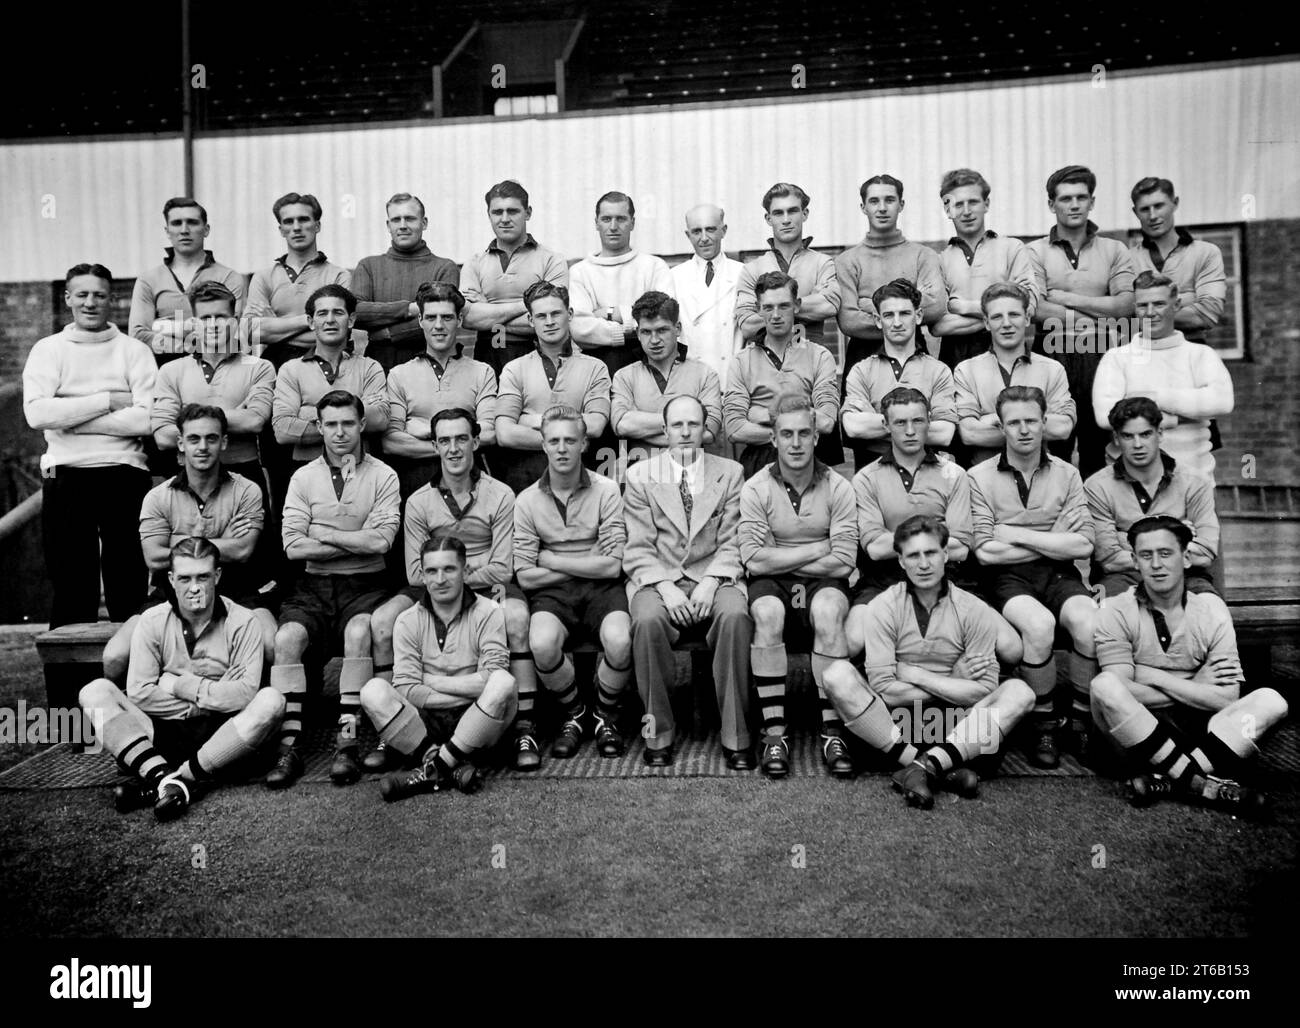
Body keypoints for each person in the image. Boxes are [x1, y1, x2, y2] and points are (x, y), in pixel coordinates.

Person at [822, 515, 1036, 808]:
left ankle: (927, 766)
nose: (923, 564)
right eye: (913, 555)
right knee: (836, 675)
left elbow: (983, 690)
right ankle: (931, 767)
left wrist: (916, 675)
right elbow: (886, 690)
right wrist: (955, 679)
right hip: (897, 730)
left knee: (1021, 693)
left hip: (961, 731)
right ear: (900, 561)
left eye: (931, 553)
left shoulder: (974, 609)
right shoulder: (882, 607)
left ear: (946, 554)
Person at [368, 407, 538, 773]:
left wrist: (457, 577)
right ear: (434, 446)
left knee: (517, 617)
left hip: (485, 585)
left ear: (476, 441)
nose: (454, 448)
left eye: (462, 438)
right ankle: (390, 727)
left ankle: (525, 725)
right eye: (444, 440)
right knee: (382, 621)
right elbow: (415, 573)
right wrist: (451, 576)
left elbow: (503, 567)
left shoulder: (502, 494)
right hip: (433, 581)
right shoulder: (418, 501)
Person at [1090, 515, 1287, 819]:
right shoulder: (1115, 610)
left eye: (1166, 553)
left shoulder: (1210, 611)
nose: (1156, 564)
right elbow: (1120, 690)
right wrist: (1196, 682)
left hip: (1202, 736)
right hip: (1136, 738)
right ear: (1134, 561)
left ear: (1185, 558)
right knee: (1103, 686)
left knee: (1271, 701)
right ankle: (1202, 785)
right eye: (1146, 555)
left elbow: (1226, 698)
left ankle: (1172, 781)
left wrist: (1155, 676)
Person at [78, 539, 285, 821]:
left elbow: (246, 694)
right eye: (185, 578)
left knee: (271, 701)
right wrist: (212, 696)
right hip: (164, 733)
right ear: (172, 580)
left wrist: (178, 684)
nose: (195, 587)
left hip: (224, 735)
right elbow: (140, 693)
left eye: (203, 576)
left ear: (218, 576)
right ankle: (170, 780)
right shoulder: (151, 620)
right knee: (95, 691)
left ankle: (172, 780)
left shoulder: (244, 620)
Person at [267, 390, 400, 789]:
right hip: (313, 586)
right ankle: (287, 746)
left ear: (361, 425)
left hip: (366, 584)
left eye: (347, 423)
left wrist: (322, 531)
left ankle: (346, 744)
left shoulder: (384, 475)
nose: (340, 432)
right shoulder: (303, 477)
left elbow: (381, 543)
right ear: (319, 428)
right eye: (331, 425)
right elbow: (292, 546)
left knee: (360, 632)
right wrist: (353, 536)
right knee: (288, 637)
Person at [968, 385, 1098, 769]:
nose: (1024, 430)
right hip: (1007, 579)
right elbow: (985, 551)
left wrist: (1014, 532)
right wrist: (1053, 536)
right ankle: (1043, 722)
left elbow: (1084, 545)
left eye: (1031, 421)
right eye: (1014, 423)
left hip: (1059, 574)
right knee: (1039, 626)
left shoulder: (1068, 473)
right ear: (1001, 427)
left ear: (1044, 423)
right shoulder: (978, 476)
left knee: (1089, 624)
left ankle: (1080, 719)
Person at [102, 403, 276, 684]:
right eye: (194, 439)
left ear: (224, 442)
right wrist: (220, 542)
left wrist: (176, 540)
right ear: (180, 443)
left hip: (236, 587)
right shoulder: (158, 497)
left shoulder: (247, 490)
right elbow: (154, 558)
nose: (202, 447)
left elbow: (243, 551)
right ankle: (140, 713)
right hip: (171, 590)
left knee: (272, 644)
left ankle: (263, 713)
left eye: (211, 438)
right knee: (114, 656)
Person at [623, 394, 753, 768]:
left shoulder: (729, 473)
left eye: (692, 424)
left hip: (715, 574)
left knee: (735, 617)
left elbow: (733, 540)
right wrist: (664, 586)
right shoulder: (640, 475)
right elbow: (638, 546)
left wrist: (712, 582)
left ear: (704, 430)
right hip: (659, 578)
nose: (684, 432)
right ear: (664, 431)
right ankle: (658, 732)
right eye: (677, 425)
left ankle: (736, 735)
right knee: (646, 621)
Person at [24, 263, 155, 627]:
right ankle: (70, 683)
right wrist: (109, 399)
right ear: (68, 299)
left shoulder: (133, 352)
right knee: (71, 586)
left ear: (112, 299)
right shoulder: (48, 350)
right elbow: (37, 414)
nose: (90, 302)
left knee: (127, 584)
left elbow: (145, 420)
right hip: (65, 474)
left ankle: (132, 679)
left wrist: (70, 417)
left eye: (99, 295)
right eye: (82, 294)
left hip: (124, 472)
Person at [739, 392, 857, 778]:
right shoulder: (756, 487)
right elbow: (753, 559)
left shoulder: (838, 486)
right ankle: (774, 731)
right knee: (767, 612)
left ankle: (832, 729)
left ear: (816, 437)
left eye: (804, 433)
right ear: (772, 439)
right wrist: (819, 545)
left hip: (823, 580)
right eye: (786, 434)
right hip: (773, 583)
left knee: (827, 612)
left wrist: (785, 552)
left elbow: (845, 558)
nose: (795, 442)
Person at [360, 534, 517, 802]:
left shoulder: (489, 611)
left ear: (465, 571)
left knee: (504, 682)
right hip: (424, 723)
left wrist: (431, 681)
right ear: (422, 575)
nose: (440, 579)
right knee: (373, 691)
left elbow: (493, 676)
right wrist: (469, 687)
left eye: (449, 569)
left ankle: (433, 769)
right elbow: (406, 689)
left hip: (477, 720)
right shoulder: (406, 620)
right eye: (432, 571)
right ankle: (448, 764)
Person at [514, 405, 631, 759]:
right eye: (554, 441)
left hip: (603, 590)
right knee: (543, 642)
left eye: (570, 440)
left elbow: (613, 567)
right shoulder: (527, 500)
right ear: (543, 446)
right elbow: (525, 575)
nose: (562, 448)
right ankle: (575, 713)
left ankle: (604, 713)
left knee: (621, 639)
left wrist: (553, 559)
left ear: (584, 444)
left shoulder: (607, 490)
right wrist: (585, 560)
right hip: (553, 595)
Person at [1026, 165, 1136, 478]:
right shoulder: (1033, 252)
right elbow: (1036, 310)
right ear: (1051, 205)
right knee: (1054, 443)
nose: (1074, 205)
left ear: (1091, 201)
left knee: (1098, 444)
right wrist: (1101, 311)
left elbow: (1126, 305)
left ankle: (1097, 522)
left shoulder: (1115, 249)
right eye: (1065, 198)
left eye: (1081, 197)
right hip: (1051, 354)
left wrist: (1071, 299)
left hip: (1102, 354)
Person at [1092, 271, 1234, 482]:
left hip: (1193, 478)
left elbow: (1222, 402)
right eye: (1142, 305)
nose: (1150, 313)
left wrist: (1153, 397)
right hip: (1132, 483)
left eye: (1159, 304)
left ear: (1176, 305)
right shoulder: (1116, 357)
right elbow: (1106, 416)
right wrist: (1180, 416)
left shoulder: (1200, 355)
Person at [1085, 397, 1220, 596]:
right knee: (1102, 615)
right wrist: (1176, 537)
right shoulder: (1097, 486)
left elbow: (1206, 554)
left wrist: (1126, 539)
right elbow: (1110, 560)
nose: (1138, 444)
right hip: (1121, 579)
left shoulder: (1195, 482)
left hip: (1186, 577)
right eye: (1128, 436)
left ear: (1160, 433)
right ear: (1116, 438)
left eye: (1146, 434)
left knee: (1213, 611)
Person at [151, 282, 275, 497]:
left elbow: (254, 421)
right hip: (189, 478)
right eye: (205, 318)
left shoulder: (259, 367)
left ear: (235, 321)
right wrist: (233, 416)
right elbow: (162, 436)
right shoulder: (171, 371)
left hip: (244, 476)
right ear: (193, 324)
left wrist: (187, 415)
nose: (213, 324)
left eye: (221, 317)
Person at [382, 282, 496, 497]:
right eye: (431, 318)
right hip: (415, 482)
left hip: (469, 483)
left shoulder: (482, 372)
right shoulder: (399, 374)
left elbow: (489, 434)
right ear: (420, 321)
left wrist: (425, 431)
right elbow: (391, 442)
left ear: (459, 320)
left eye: (447, 317)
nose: (439, 325)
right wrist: (458, 444)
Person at [495, 282, 612, 492]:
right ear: (531, 320)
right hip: (526, 477)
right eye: (541, 316)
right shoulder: (514, 369)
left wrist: (529, 420)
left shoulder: (596, 368)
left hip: (581, 480)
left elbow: (595, 425)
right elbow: (505, 434)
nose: (549, 322)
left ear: (569, 314)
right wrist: (570, 433)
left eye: (556, 314)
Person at [723, 271, 840, 479]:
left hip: (810, 461)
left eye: (783, 306)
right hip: (759, 465)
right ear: (758, 309)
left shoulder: (820, 356)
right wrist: (798, 429)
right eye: (768, 307)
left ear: (796, 306)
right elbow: (734, 429)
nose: (776, 315)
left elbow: (827, 422)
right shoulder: (742, 361)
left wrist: (760, 413)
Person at [834, 174, 944, 379]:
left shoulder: (923, 255)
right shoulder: (847, 261)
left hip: (914, 356)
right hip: (862, 357)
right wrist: (906, 311)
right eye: (874, 201)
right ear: (863, 207)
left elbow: (936, 307)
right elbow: (849, 321)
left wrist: (867, 304)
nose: (882, 208)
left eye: (890, 200)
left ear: (901, 205)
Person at [840, 278, 957, 470]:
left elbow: (944, 433)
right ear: (878, 320)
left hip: (926, 474)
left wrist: (877, 420)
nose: (896, 323)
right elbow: (853, 427)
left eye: (904, 314)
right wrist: (920, 423)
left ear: (918, 316)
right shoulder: (861, 370)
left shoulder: (938, 371)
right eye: (888, 315)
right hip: (873, 475)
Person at [954, 282, 1075, 466]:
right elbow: (970, 434)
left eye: (1014, 315)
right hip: (985, 482)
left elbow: (1063, 428)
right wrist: (1033, 421)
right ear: (986, 323)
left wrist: (992, 419)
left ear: (1027, 318)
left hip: (1039, 475)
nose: (1006, 324)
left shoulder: (1052, 369)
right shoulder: (966, 370)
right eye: (997, 317)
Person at [460, 179, 569, 380]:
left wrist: (488, 311)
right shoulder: (474, 263)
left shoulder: (552, 260)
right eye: (497, 212)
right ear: (488, 215)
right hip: (488, 356)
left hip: (538, 356)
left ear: (528, 212)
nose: (504, 219)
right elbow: (468, 318)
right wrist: (529, 305)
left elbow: (551, 318)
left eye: (513, 211)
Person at [931, 169, 1038, 371]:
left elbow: (1028, 307)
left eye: (973, 202)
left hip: (1007, 352)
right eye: (958, 205)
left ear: (986, 204)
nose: (966, 211)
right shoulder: (939, 260)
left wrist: (963, 307)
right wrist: (1002, 315)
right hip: (956, 356)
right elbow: (938, 326)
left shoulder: (1012, 249)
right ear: (948, 210)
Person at [271, 284, 389, 465]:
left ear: (351, 320)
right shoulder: (291, 370)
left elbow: (380, 419)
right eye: (322, 313)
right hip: (306, 471)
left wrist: (306, 413)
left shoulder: (370, 368)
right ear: (311, 322)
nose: (330, 320)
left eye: (338, 313)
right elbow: (283, 430)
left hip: (360, 468)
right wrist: (355, 413)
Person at [568, 191, 674, 375]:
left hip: (649, 365)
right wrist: (634, 326)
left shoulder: (654, 266)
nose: (613, 226)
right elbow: (580, 329)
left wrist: (611, 313)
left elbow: (665, 318)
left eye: (621, 219)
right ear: (596, 223)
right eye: (606, 219)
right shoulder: (580, 272)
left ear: (632, 222)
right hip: (597, 369)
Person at [351, 192, 459, 373]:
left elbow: (442, 320)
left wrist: (385, 334)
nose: (402, 226)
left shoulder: (444, 268)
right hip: (378, 365)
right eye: (396, 220)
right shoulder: (368, 266)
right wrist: (409, 309)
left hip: (429, 364)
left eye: (410, 219)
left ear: (424, 223)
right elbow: (355, 311)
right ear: (388, 225)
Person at [243, 191, 352, 369]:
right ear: (281, 230)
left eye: (303, 220)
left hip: (324, 365)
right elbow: (251, 333)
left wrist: (274, 326)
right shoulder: (263, 277)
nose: (296, 227)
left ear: (317, 225)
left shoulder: (338, 275)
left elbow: (339, 331)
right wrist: (312, 320)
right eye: (288, 221)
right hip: (274, 365)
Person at [129, 197, 246, 364]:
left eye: (192, 222)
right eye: (177, 223)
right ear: (167, 231)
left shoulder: (229, 277)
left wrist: (165, 328)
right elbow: (138, 336)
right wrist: (191, 344)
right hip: (163, 370)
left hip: (218, 368)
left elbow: (233, 334)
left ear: (206, 229)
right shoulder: (148, 280)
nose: (184, 230)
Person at [611, 291, 722, 465]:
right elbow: (623, 425)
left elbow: (709, 432)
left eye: (662, 330)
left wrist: (641, 423)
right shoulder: (624, 376)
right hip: (641, 476)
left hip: (693, 473)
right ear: (638, 333)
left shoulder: (705, 375)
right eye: (646, 332)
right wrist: (689, 425)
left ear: (677, 329)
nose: (654, 340)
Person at [734, 183, 841, 353]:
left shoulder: (822, 263)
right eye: (778, 213)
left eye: (792, 211)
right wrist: (805, 303)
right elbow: (747, 324)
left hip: (812, 362)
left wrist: (768, 309)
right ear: (768, 219)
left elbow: (829, 305)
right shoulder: (752, 269)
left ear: (804, 214)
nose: (786, 220)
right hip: (765, 364)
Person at [669, 204, 745, 388]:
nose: (704, 238)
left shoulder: (743, 273)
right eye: (696, 231)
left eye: (710, 229)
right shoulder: (673, 276)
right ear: (688, 235)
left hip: (731, 379)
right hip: (691, 380)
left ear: (723, 231)